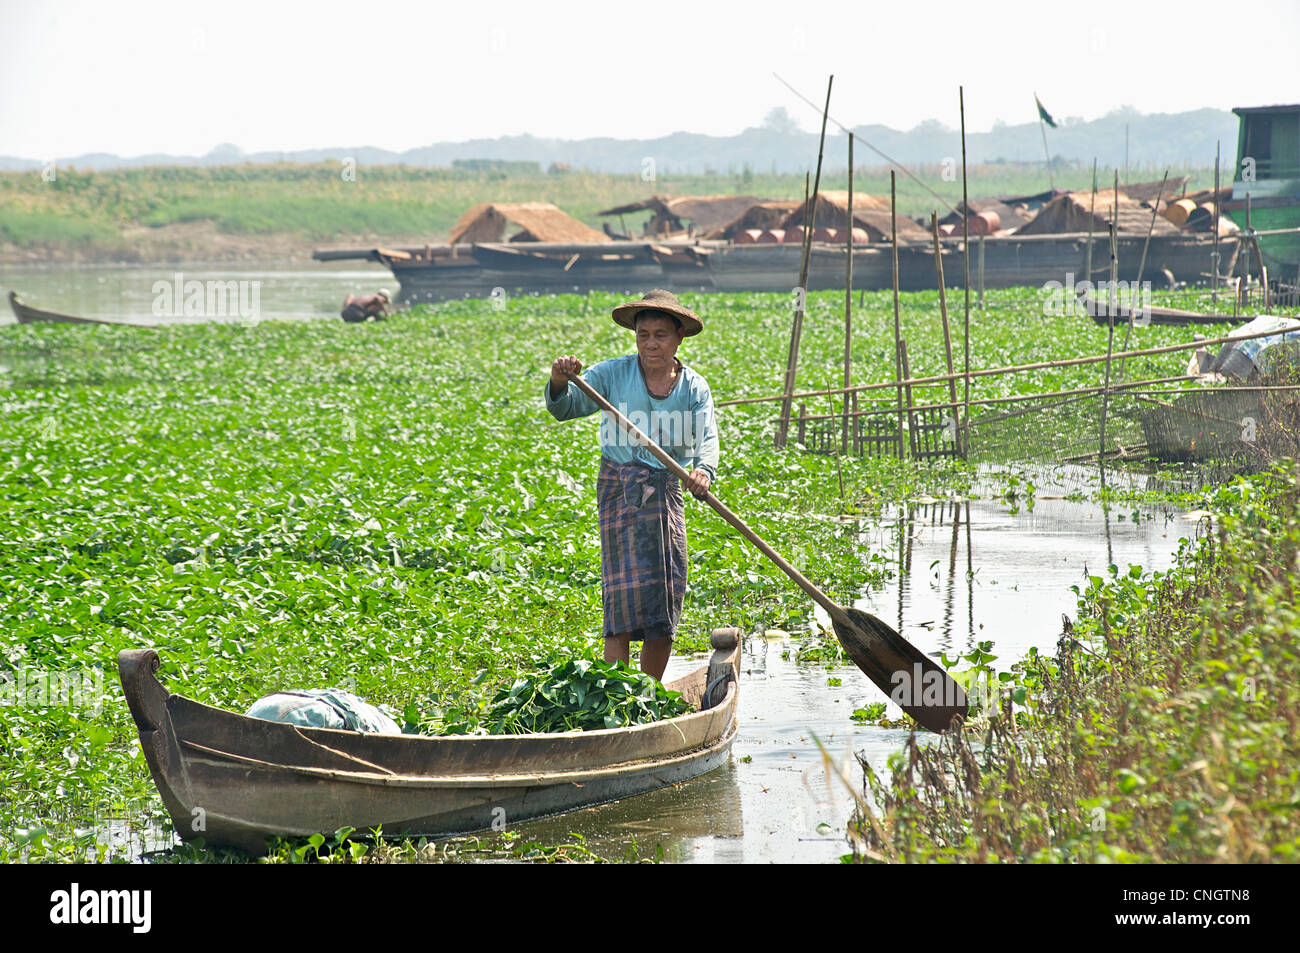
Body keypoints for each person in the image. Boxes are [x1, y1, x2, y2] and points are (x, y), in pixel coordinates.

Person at [546, 289, 718, 680]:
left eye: (660, 335)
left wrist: (703, 472)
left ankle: (648, 691)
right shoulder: (611, 374)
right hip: (619, 488)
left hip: (666, 490)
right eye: (644, 335)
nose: (651, 343)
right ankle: (617, 693)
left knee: (666, 590)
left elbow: (707, 438)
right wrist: (559, 380)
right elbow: (567, 406)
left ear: (678, 338)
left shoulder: (693, 388)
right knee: (621, 599)